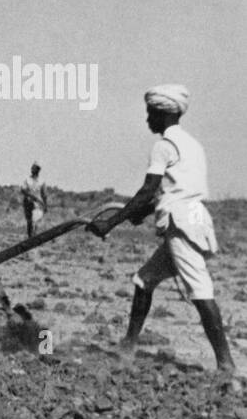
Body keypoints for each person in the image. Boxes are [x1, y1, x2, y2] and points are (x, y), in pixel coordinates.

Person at [86, 84, 236, 377]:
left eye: (149, 114)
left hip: (181, 224)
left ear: (161, 113)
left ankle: (226, 364)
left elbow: (147, 191)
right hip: (193, 218)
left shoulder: (163, 145)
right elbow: (164, 194)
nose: (147, 120)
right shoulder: (193, 145)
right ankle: (128, 346)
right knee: (144, 280)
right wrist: (137, 213)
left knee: (200, 290)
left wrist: (110, 223)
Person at [20, 163, 48, 237]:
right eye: (32, 168)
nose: (32, 170)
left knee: (36, 220)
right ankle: (30, 237)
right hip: (28, 203)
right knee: (29, 221)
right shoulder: (27, 179)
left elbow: (44, 194)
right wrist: (31, 196)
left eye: (34, 168)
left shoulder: (42, 181)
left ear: (38, 170)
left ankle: (34, 236)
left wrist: (45, 205)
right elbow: (23, 190)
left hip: (38, 204)